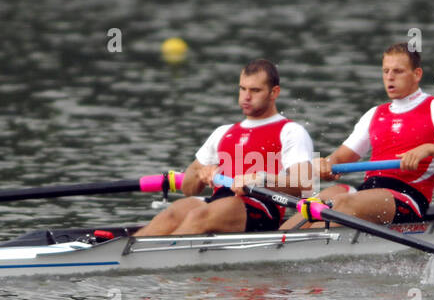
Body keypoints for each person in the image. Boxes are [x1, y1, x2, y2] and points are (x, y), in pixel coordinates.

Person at [286, 43, 434, 227]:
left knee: (342, 203)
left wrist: (431, 149)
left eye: (398, 71)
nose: (390, 77)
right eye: (386, 71)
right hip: (367, 193)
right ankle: (277, 246)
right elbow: (339, 159)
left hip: (408, 198)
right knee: (316, 202)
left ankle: (307, 254)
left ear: (417, 74)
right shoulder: (374, 114)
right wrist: (326, 164)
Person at [133, 59, 314, 236]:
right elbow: (188, 189)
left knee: (200, 215)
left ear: (274, 93)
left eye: (255, 90)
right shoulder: (223, 132)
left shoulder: (291, 131)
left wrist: (260, 178)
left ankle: (162, 259)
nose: (246, 97)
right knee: (176, 210)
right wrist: (201, 174)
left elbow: (304, 185)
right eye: (242, 89)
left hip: (260, 207)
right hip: (219, 202)